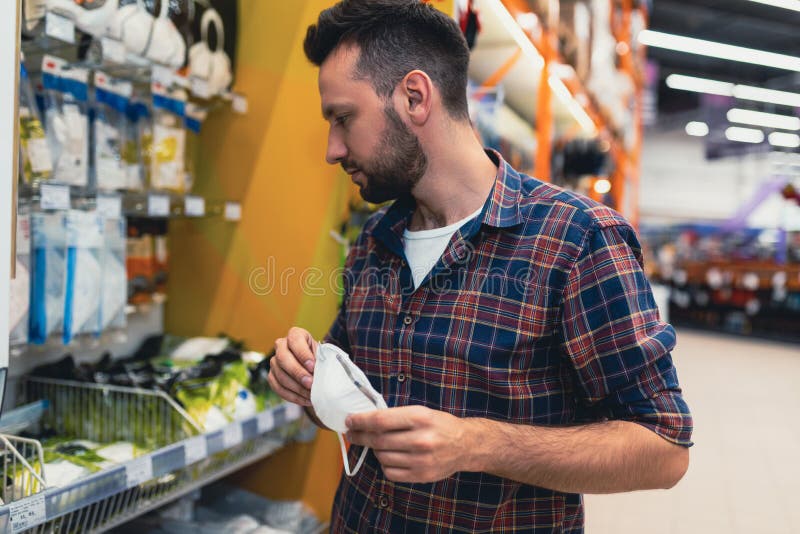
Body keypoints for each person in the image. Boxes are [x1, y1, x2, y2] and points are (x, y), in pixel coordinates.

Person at [267, 1, 693, 532]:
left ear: (414, 97)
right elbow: (350, 404)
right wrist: (309, 382)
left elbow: (664, 447)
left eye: (343, 118)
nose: (332, 150)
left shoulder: (577, 240)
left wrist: (476, 444)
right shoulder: (375, 239)